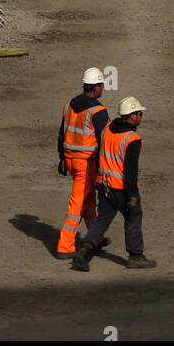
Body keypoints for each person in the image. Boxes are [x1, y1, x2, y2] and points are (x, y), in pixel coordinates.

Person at [71, 95, 157, 271]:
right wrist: (132, 196)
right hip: (122, 190)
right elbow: (131, 172)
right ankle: (136, 256)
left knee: (101, 221)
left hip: (104, 187)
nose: (141, 116)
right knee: (133, 218)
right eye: (139, 113)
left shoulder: (107, 129)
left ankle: (84, 252)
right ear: (132, 116)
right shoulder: (131, 139)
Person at [56, 68, 109, 257]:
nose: (103, 89)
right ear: (96, 88)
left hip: (70, 161)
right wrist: (105, 170)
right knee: (76, 205)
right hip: (86, 164)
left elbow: (62, 133)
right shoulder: (98, 111)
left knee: (88, 200)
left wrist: (62, 157)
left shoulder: (69, 105)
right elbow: (105, 142)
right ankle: (65, 246)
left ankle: (97, 237)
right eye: (102, 85)